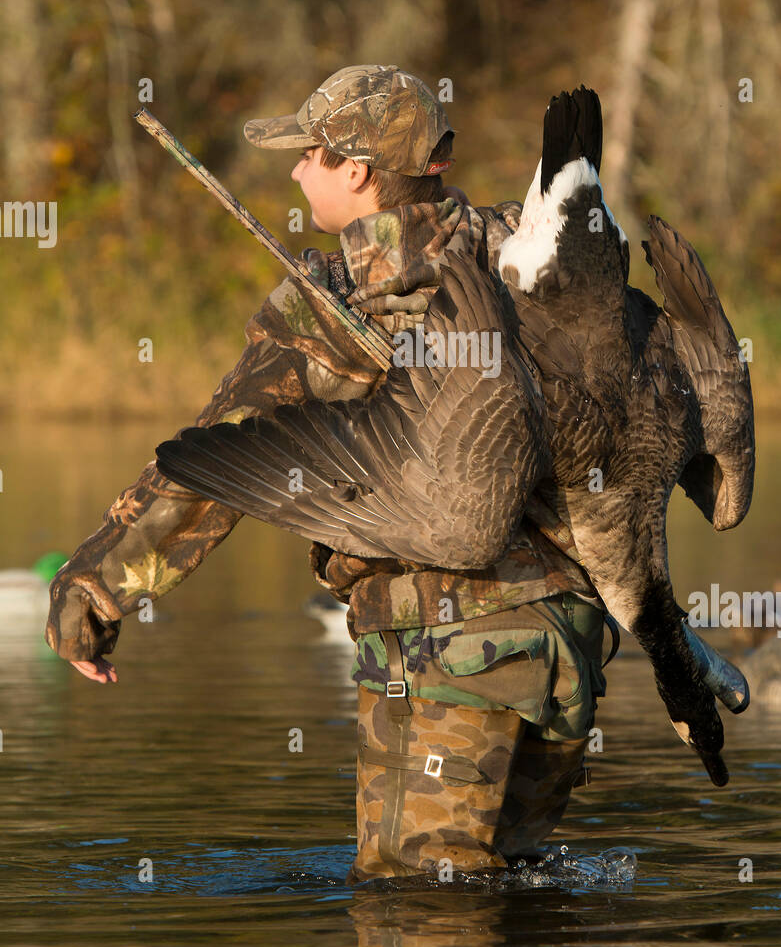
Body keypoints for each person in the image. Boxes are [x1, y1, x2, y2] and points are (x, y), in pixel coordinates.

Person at [45, 64, 611, 881]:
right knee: (516, 900)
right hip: (568, 641)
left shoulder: (330, 303)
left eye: (310, 152)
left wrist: (92, 591)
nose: (295, 169)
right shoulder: (524, 252)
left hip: (443, 650)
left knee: (421, 905)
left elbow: (218, 462)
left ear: (357, 170)